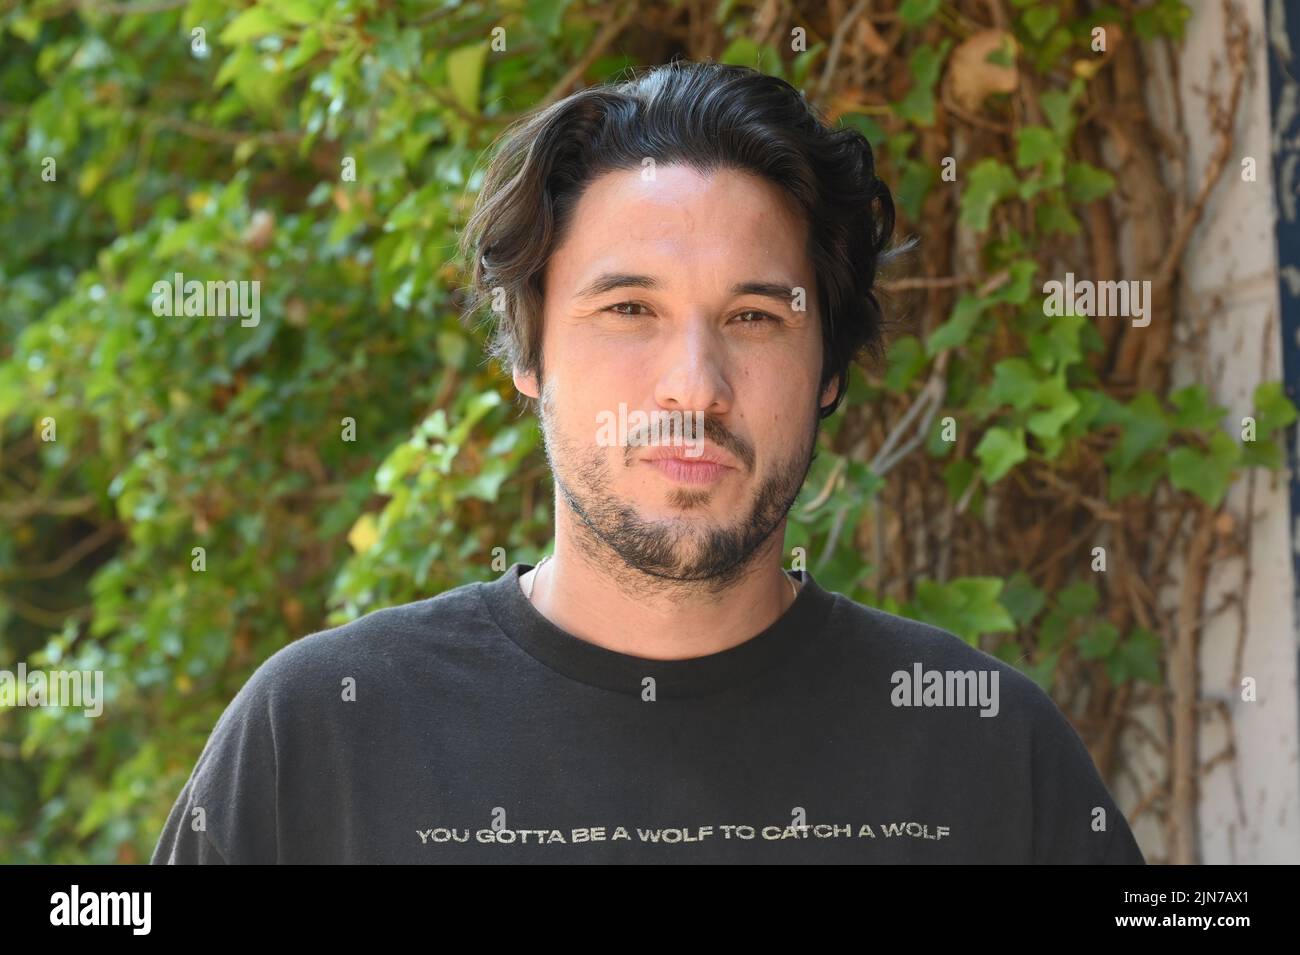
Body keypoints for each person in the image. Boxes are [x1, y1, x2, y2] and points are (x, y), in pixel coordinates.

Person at [152, 60, 1144, 864]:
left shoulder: (983, 750)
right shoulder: (317, 741)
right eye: (630, 310)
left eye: (754, 317)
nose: (693, 385)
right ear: (529, 354)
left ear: (828, 370)